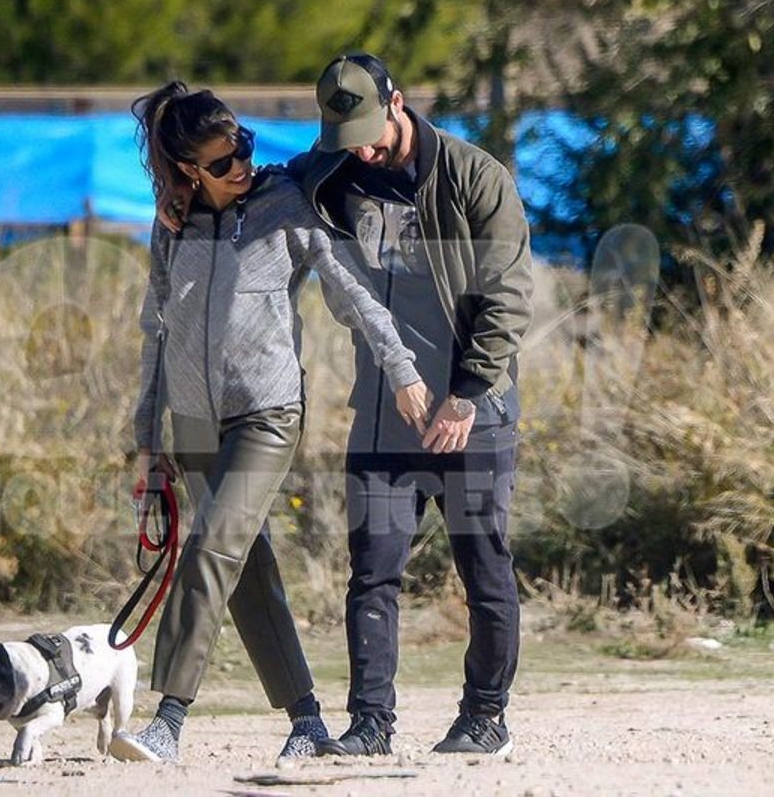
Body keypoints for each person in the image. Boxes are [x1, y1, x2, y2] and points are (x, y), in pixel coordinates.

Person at [158, 51, 535, 758]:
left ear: (398, 102)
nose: (361, 147)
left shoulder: (477, 177)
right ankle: (370, 724)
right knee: (372, 572)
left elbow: (509, 295)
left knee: (483, 568)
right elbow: (252, 186)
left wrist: (466, 392)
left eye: (369, 130)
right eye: (346, 136)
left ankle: (486, 715)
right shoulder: (327, 169)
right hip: (386, 405)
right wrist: (182, 197)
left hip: (471, 408)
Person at [110, 81, 432, 764]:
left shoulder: (282, 203)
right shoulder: (172, 225)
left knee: (210, 547)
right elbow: (155, 334)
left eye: (245, 148)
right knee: (244, 570)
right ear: (189, 171)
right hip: (193, 422)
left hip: (267, 412)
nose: (243, 166)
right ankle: (307, 717)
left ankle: (168, 717)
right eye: (224, 162)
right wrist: (147, 442)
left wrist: (400, 366)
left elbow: (349, 291)